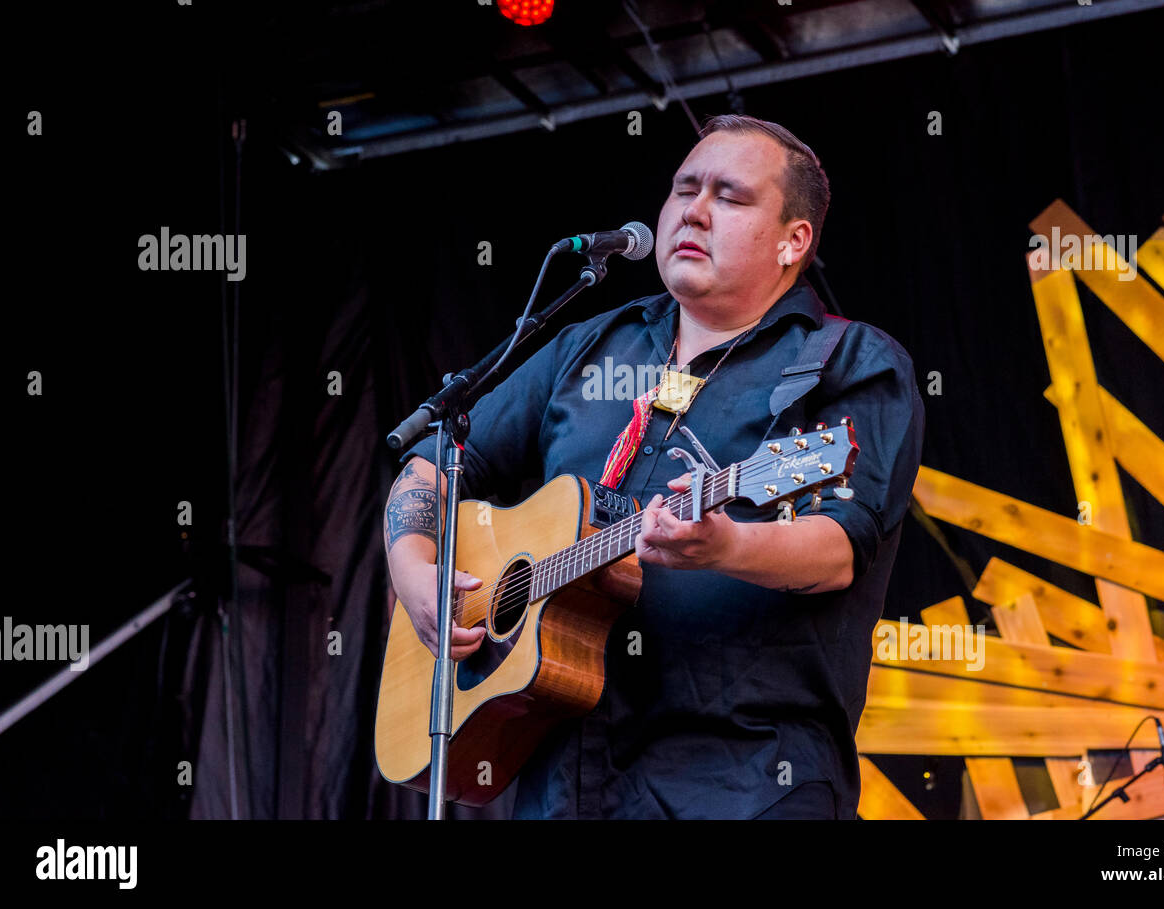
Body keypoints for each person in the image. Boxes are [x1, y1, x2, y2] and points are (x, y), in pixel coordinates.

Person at [383, 114, 925, 819]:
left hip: (746, 779)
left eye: (729, 197)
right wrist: (414, 569)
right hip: (561, 783)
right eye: (684, 188)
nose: (693, 210)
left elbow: (841, 544)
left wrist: (727, 544)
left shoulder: (848, 362)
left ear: (796, 240)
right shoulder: (591, 344)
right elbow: (435, 461)